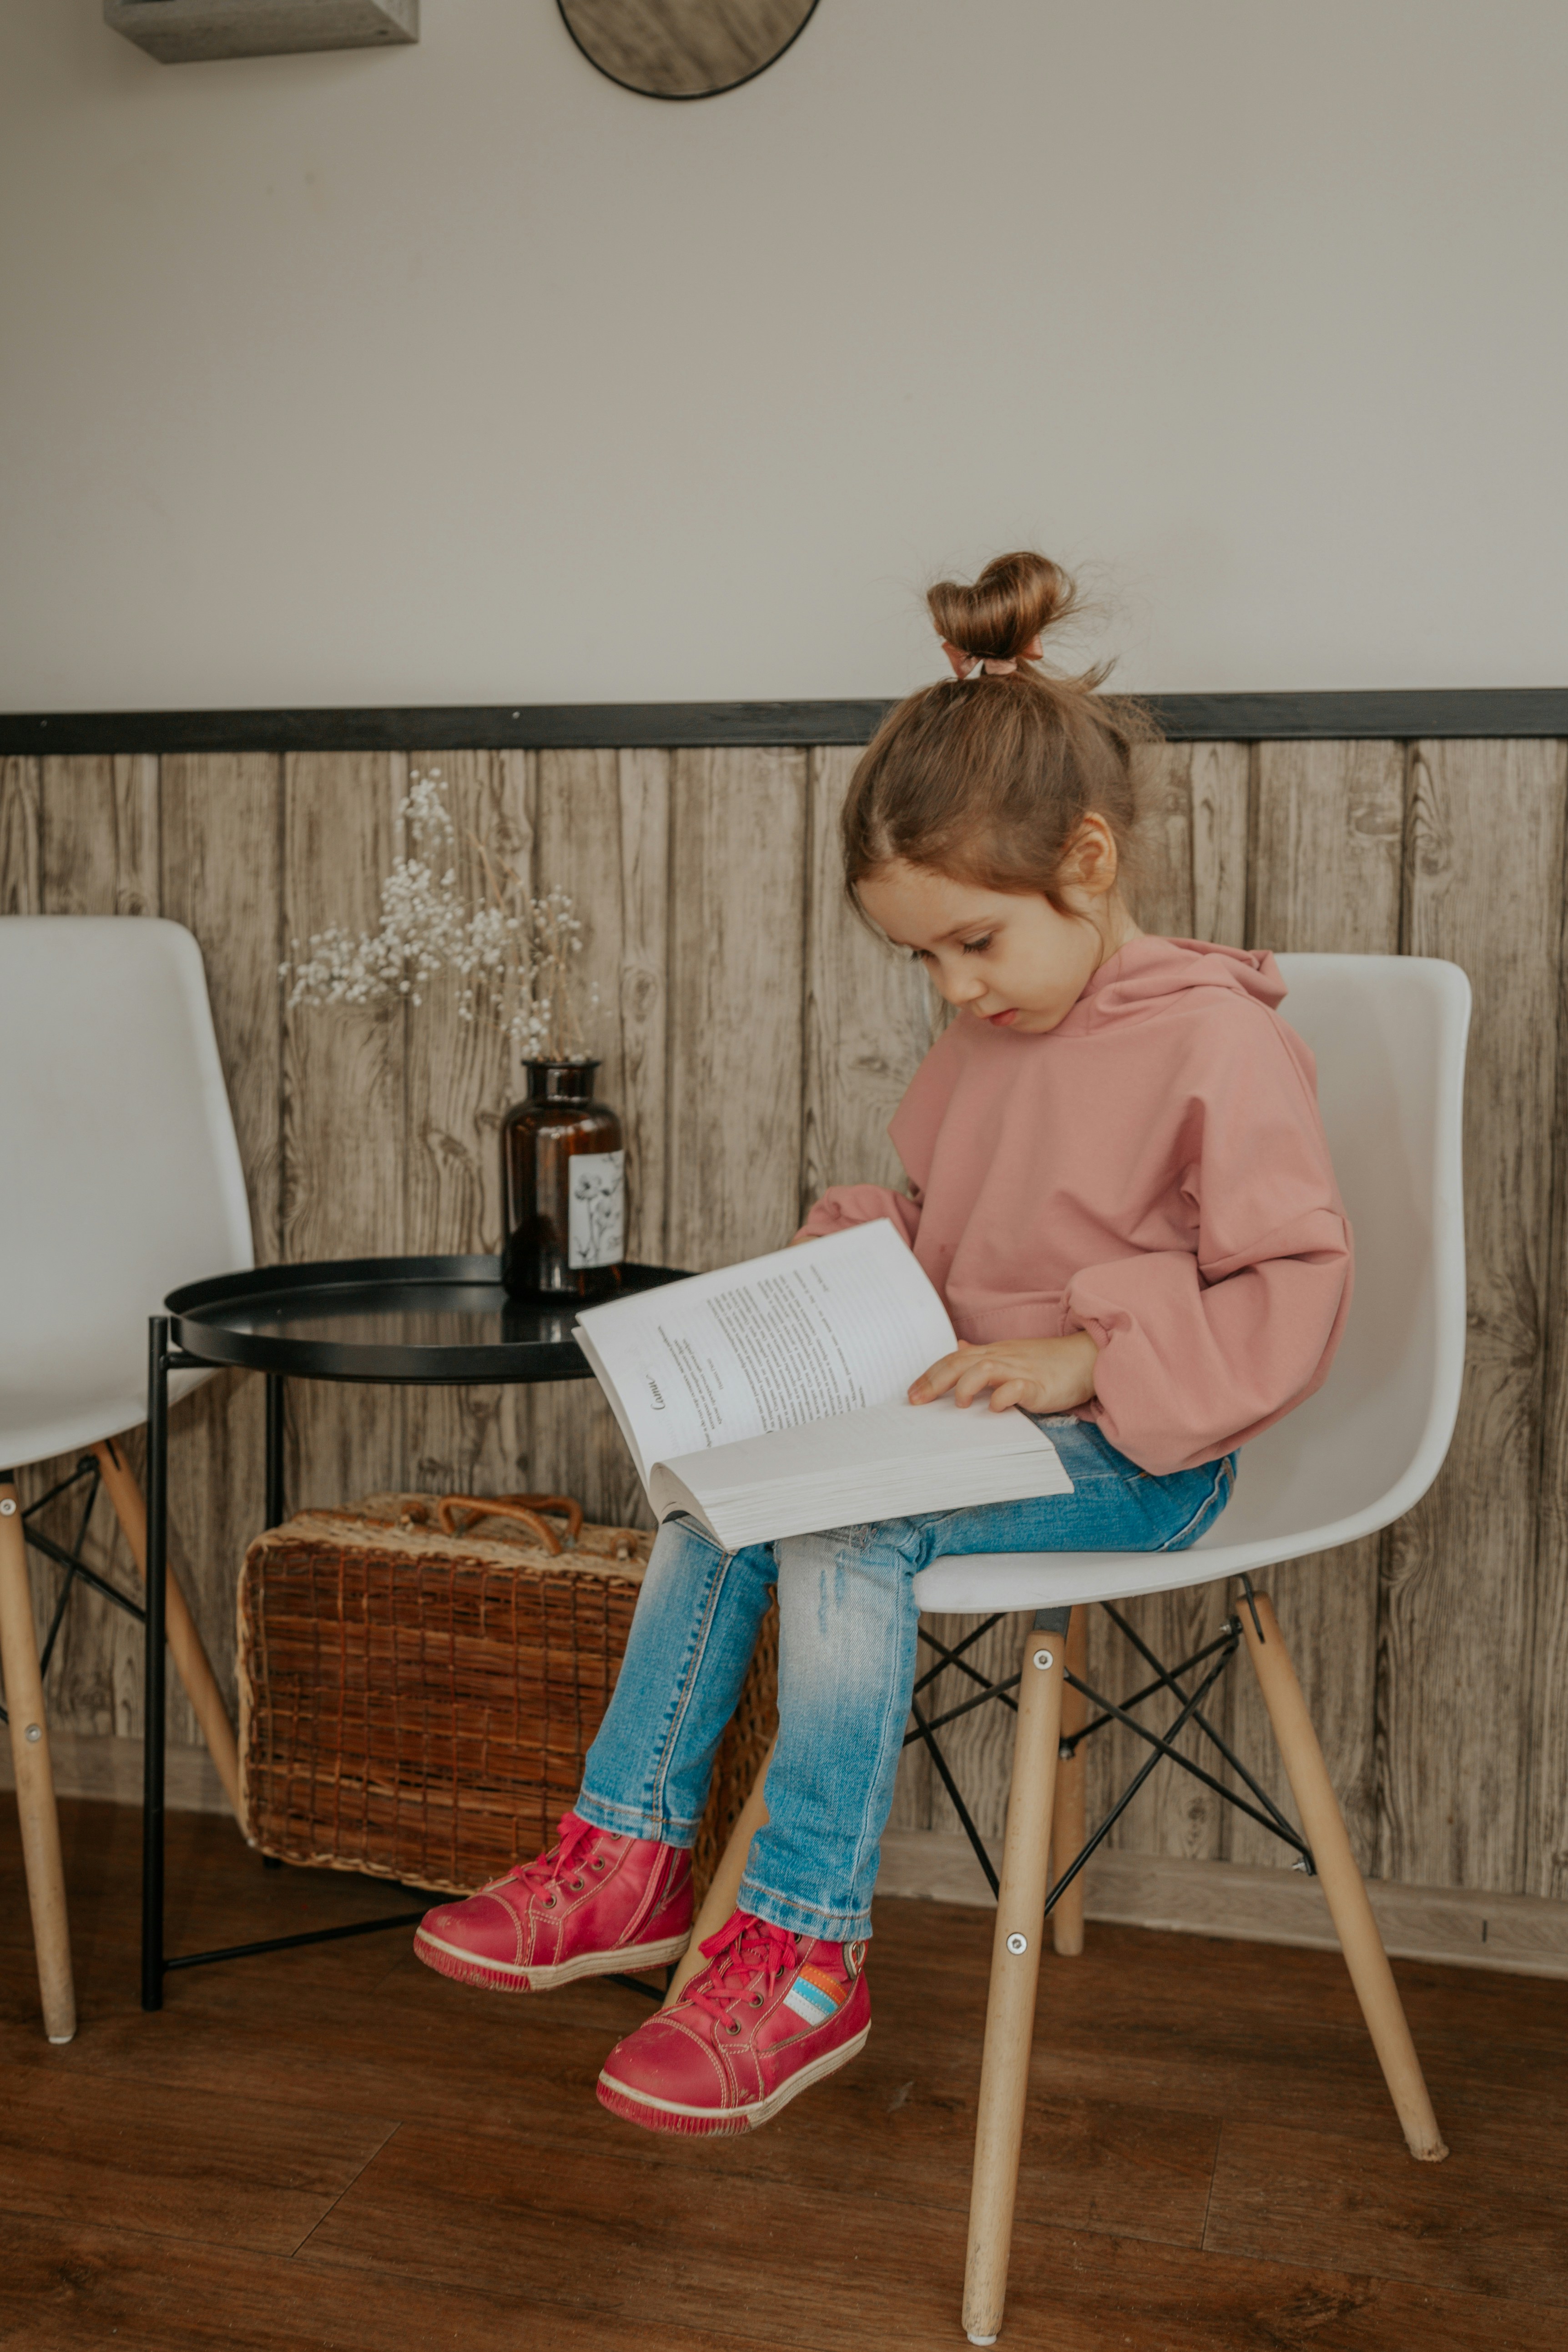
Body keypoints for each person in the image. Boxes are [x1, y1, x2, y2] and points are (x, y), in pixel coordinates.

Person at [413, 550, 1352, 2138]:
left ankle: (800, 1951)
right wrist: (847, 1268)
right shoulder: (994, 1035)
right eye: (923, 958)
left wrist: (1092, 1349)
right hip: (965, 1422)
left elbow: (1291, 1284)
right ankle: (629, 1851)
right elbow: (946, 1220)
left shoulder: (1219, 1041)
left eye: (975, 941)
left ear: (1091, 858)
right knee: (723, 1487)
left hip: (1145, 1453)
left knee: (847, 1520)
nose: (955, 986)